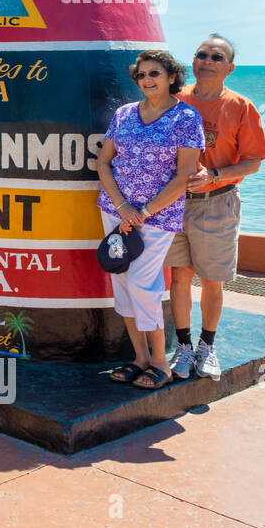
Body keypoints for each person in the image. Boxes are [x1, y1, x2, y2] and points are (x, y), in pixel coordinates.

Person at [96, 50, 204, 389]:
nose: (147, 80)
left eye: (154, 73)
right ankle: (139, 358)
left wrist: (142, 212)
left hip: (156, 218)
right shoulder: (124, 113)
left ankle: (160, 361)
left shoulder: (186, 118)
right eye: (142, 75)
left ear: (172, 77)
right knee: (123, 285)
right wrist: (122, 205)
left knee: (144, 284)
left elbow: (184, 176)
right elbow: (104, 162)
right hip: (114, 212)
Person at [165, 34, 265, 381]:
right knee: (179, 277)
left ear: (229, 68)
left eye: (216, 57)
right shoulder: (175, 100)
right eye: (201, 54)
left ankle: (207, 346)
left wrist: (216, 175)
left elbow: (253, 162)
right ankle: (183, 347)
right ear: (192, 62)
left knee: (211, 280)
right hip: (175, 204)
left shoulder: (240, 106)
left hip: (217, 203)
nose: (207, 60)